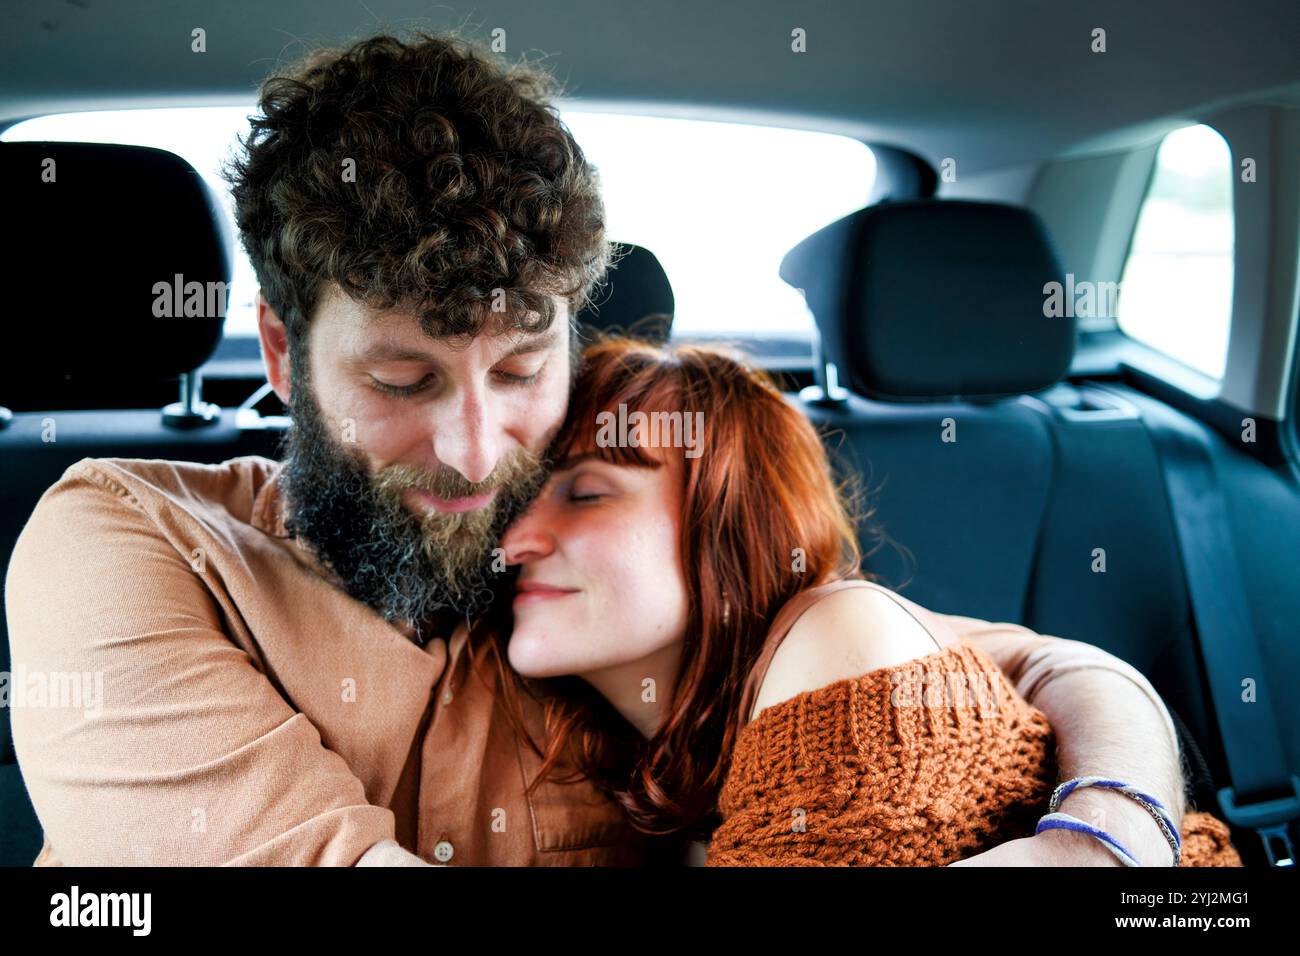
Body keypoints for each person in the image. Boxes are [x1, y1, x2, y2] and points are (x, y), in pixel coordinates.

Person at [6, 31, 1202, 866]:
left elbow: (1052, 667)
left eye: (524, 370)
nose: (480, 454)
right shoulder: (128, 536)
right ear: (278, 350)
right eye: (403, 378)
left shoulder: (583, 576)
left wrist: (1106, 829)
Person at [496, 337, 1242, 866]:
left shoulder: (837, 635)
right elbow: (1044, 656)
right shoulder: (634, 745)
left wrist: (1108, 833)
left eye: (587, 493)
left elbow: (1053, 660)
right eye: (520, 496)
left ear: (731, 525)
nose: (518, 537)